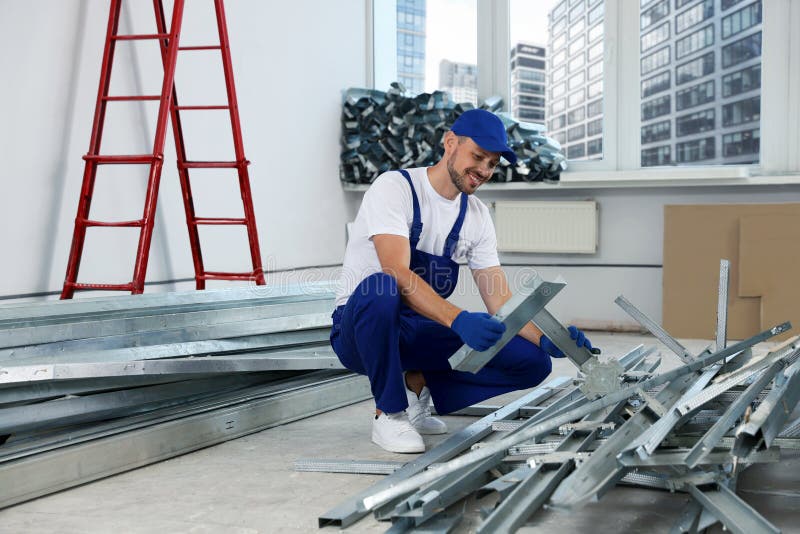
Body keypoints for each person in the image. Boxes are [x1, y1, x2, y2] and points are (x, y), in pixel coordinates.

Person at [330, 109, 594, 453]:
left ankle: (417, 388)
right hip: (360, 330)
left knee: (530, 362)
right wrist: (457, 319)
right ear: (450, 143)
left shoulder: (477, 216)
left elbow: (499, 301)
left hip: (416, 332)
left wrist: (547, 338)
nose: (484, 171)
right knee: (381, 287)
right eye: (478, 156)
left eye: (493, 163)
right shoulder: (395, 188)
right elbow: (396, 270)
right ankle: (389, 414)